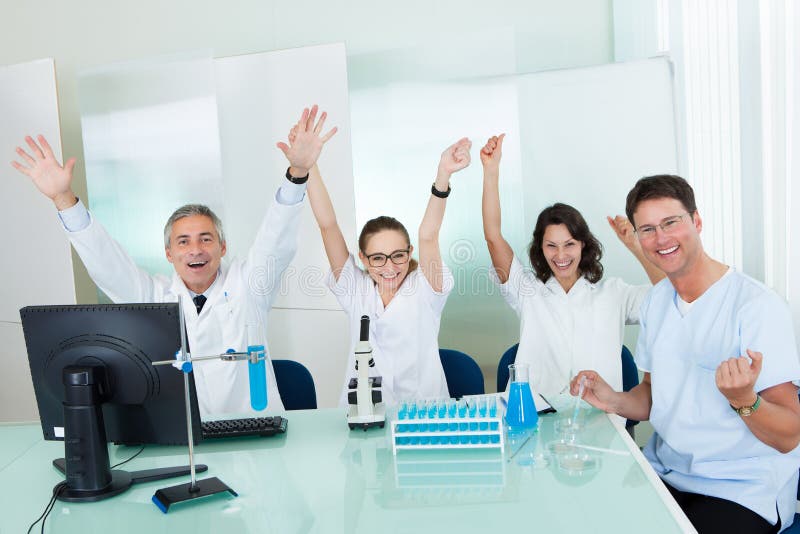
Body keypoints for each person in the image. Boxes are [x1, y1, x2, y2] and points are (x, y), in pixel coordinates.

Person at [11, 105, 337, 417]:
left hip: (256, 436)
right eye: (183, 241)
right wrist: (62, 198)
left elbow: (275, 239)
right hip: (185, 441)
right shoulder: (154, 299)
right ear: (169, 253)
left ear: (223, 247)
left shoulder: (249, 284)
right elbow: (106, 264)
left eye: (206, 239)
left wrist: (299, 172)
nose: (195, 249)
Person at [571, 174, 800, 533]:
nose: (660, 238)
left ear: (696, 221)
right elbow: (651, 397)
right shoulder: (656, 303)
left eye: (671, 223)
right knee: (587, 520)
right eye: (647, 229)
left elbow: (790, 434)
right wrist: (613, 400)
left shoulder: (757, 307)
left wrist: (744, 400)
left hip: (741, 488)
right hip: (667, 474)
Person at [480, 134, 664, 399]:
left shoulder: (615, 293)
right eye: (551, 246)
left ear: (583, 246)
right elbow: (493, 236)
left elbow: (668, 294)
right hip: (537, 420)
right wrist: (491, 171)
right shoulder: (527, 290)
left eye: (569, 244)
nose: (561, 255)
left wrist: (637, 246)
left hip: (600, 420)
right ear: (540, 249)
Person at [303, 135, 471, 406]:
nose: (390, 267)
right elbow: (328, 225)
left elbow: (428, 234)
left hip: (423, 416)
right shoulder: (355, 289)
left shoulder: (427, 288)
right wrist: (308, 166)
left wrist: (443, 175)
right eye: (378, 258)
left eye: (398, 255)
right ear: (364, 259)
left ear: (409, 253)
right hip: (363, 416)